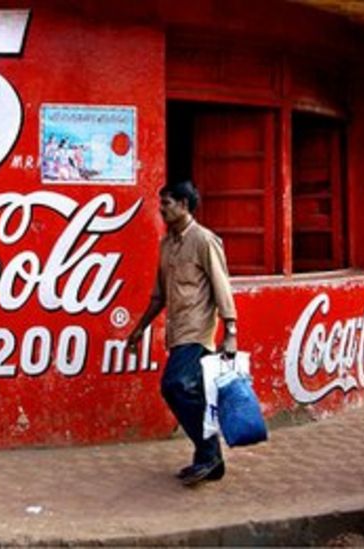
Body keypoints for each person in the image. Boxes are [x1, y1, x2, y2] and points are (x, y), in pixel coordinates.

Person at [127, 180, 238, 487]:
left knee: (174, 386)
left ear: (185, 206)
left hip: (198, 330)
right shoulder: (166, 245)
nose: (162, 210)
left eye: (167, 204)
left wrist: (231, 331)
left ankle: (209, 452)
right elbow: (159, 295)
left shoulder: (204, 240)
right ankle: (210, 461)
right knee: (190, 392)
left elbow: (222, 286)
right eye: (161, 204)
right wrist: (138, 330)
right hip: (177, 332)